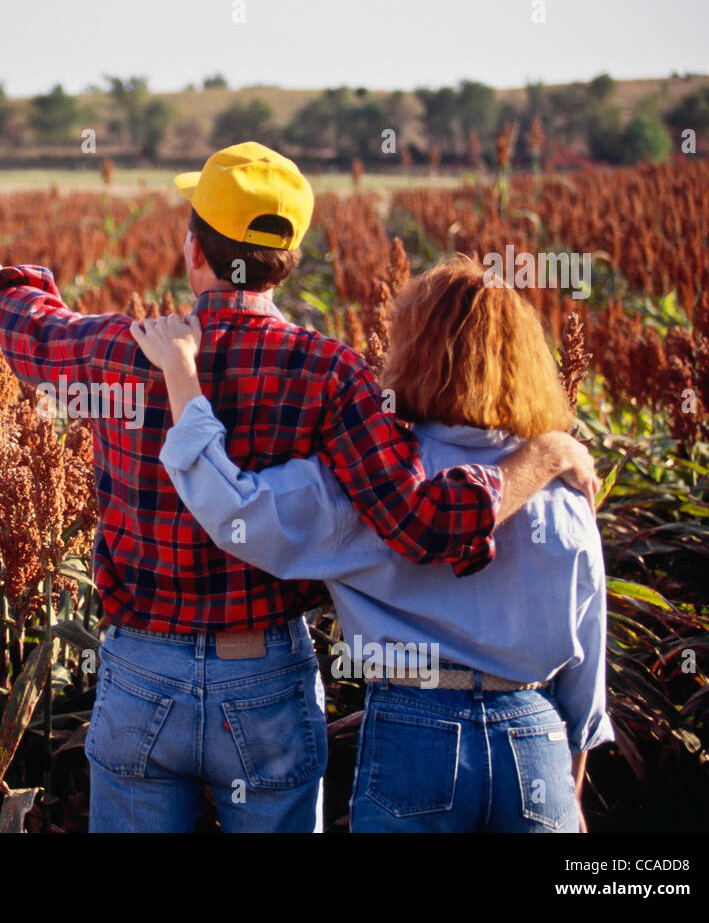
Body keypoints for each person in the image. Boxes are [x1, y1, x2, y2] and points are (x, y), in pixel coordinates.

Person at [0, 142, 598, 833]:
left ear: (193, 248)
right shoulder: (334, 373)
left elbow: (42, 333)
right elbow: (424, 525)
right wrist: (544, 454)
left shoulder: (120, 349)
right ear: (286, 262)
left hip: (142, 668)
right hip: (264, 680)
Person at [133, 256, 614, 832]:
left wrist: (182, 375)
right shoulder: (564, 489)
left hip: (417, 734)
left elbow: (234, 507)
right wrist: (572, 789)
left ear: (409, 351)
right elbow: (587, 668)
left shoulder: (370, 481)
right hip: (537, 736)